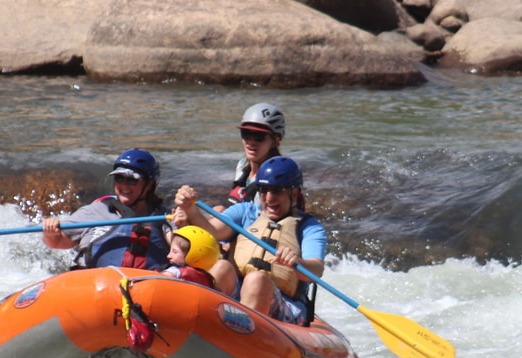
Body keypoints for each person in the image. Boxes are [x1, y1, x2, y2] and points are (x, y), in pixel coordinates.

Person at [172, 156, 325, 325]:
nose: (268, 198)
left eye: (276, 191)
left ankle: (241, 336)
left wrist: (297, 262)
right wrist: (190, 209)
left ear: (294, 193)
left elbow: (316, 269)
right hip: (240, 291)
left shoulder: (309, 226)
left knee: (256, 280)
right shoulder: (246, 211)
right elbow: (212, 231)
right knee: (222, 267)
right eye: (264, 190)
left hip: (286, 304)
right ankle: (200, 324)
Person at [42, 148, 172, 270]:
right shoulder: (95, 211)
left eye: (132, 180)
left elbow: (187, 250)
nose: (124, 185)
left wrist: (189, 211)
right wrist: (50, 233)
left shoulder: (166, 217)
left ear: (149, 185)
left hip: (148, 285)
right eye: (119, 178)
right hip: (96, 284)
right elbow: (57, 242)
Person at [226, 102, 286, 206]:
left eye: (259, 136)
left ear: (275, 141)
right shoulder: (242, 165)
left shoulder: (276, 178)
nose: (251, 142)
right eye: (246, 134)